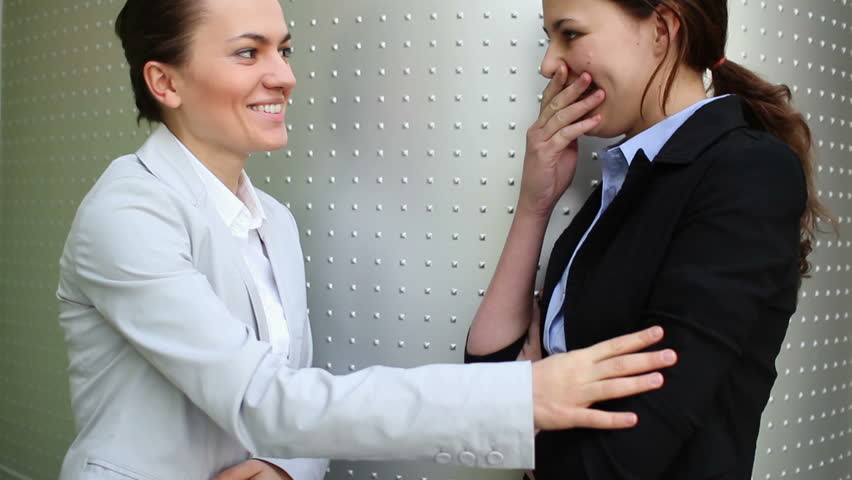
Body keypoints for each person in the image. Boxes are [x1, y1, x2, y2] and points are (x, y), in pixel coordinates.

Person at [55, 0, 680, 479]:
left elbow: (293, 406)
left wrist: (283, 468)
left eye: (285, 49)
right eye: (249, 53)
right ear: (165, 83)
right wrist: (522, 396)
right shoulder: (127, 213)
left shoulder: (273, 219)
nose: (284, 76)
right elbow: (263, 401)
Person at [465, 0, 834, 479]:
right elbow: (487, 381)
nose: (549, 63)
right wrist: (536, 203)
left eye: (570, 34)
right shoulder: (621, 185)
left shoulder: (745, 171)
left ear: (661, 29)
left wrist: (526, 438)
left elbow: (634, 451)